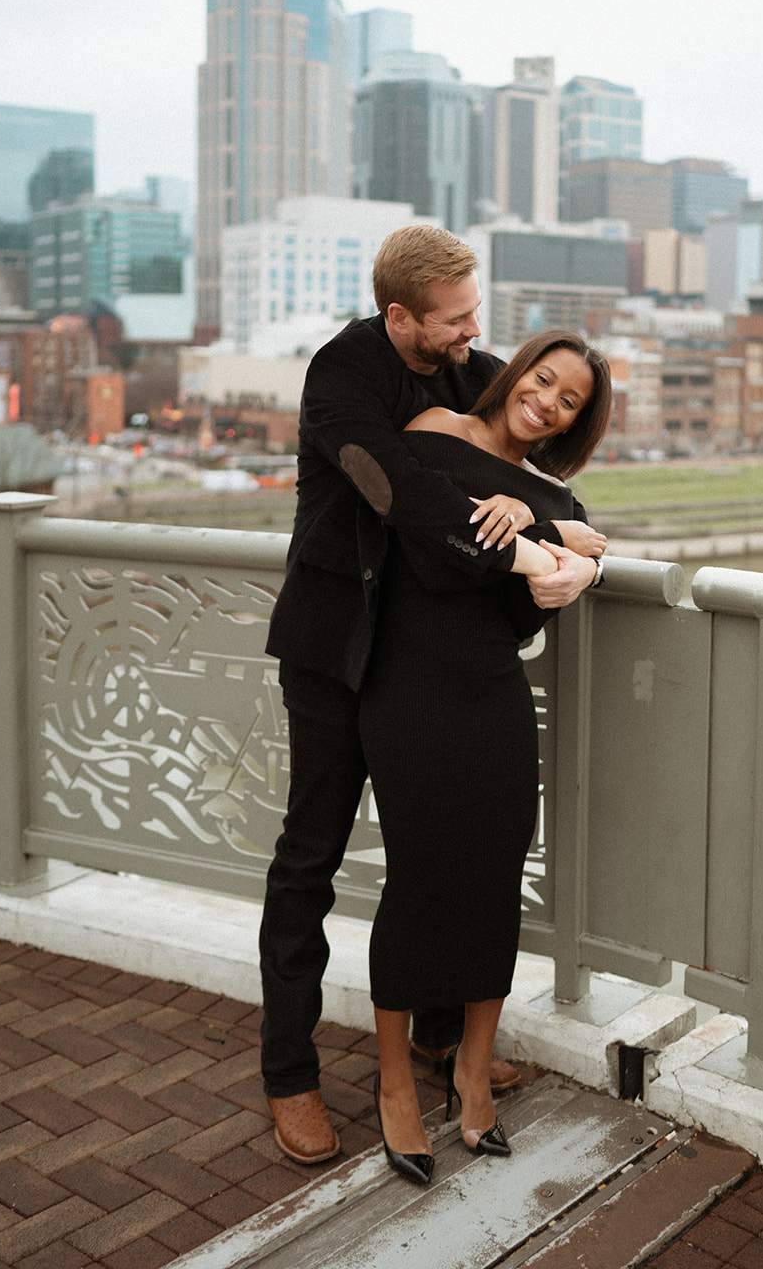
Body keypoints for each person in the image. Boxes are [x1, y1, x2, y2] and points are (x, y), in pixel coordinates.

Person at [260, 225, 603, 1164]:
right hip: (337, 653)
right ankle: (289, 1073)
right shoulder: (343, 374)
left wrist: (536, 513)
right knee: (310, 861)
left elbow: (546, 468)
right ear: (398, 314)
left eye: (474, 315)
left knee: (457, 853)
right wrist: (533, 547)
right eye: (455, 320)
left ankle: (443, 1041)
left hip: (429, 660)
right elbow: (399, 488)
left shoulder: (465, 368)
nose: (472, 333)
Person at [360, 331, 612, 1184]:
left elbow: (576, 570)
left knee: (495, 875)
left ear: (574, 421)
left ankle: (472, 1064)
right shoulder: (431, 428)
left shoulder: (553, 496)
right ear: (517, 373)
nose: (546, 401)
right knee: (418, 879)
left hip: (492, 697)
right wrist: (532, 533)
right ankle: (395, 1079)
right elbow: (435, 546)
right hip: (404, 690)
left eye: (568, 400)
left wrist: (538, 522)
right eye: (543, 379)